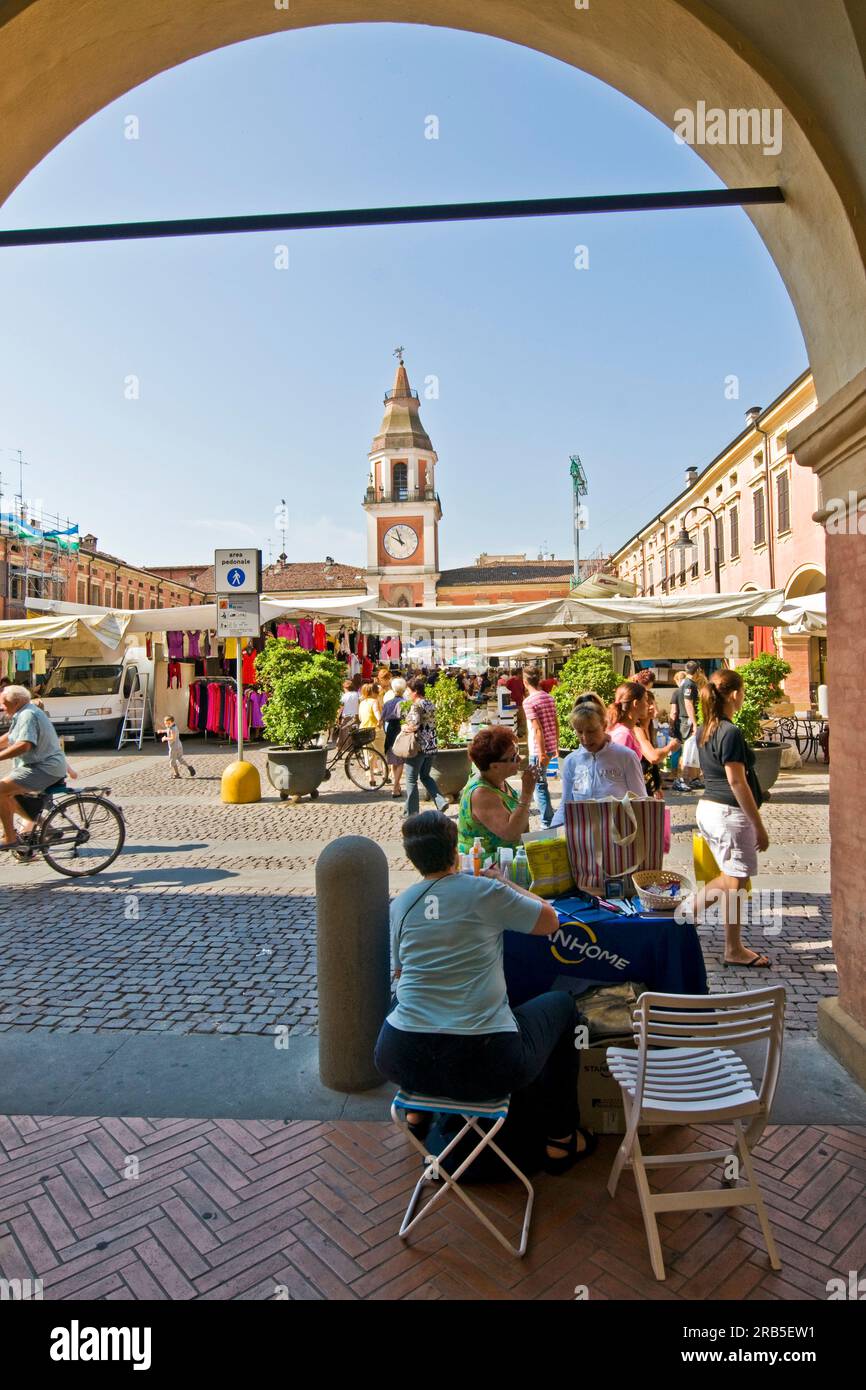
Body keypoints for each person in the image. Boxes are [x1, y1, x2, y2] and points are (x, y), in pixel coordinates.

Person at [374, 811, 596, 1172]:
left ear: (413, 859)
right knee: (563, 1006)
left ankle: (416, 1112)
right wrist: (505, 884)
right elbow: (550, 920)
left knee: (404, 995)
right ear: (454, 851)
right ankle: (560, 1137)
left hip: (401, 1056)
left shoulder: (402, 904)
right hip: (485, 1062)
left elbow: (400, 972)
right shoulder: (484, 890)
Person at [693, 669, 771, 968]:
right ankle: (733, 948)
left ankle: (684, 917)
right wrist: (758, 825)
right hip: (729, 813)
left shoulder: (703, 729)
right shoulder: (730, 732)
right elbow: (736, 782)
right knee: (736, 880)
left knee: (730, 876)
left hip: (709, 809)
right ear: (735, 694)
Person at [551, 700, 645, 824]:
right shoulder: (571, 761)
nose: (585, 738)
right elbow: (566, 804)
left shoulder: (626, 757)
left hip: (619, 834)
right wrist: (552, 832)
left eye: (591, 731)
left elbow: (640, 800)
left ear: (604, 726)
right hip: (584, 835)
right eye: (579, 731)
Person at [0, 684, 68, 847]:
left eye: (4, 703)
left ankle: (10, 838)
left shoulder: (28, 715)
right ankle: (46, 828)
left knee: (1, 790)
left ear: (15, 702)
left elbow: (24, 745)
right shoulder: (24, 713)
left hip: (44, 768)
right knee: (11, 796)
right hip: (42, 767)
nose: (2, 707)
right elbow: (10, 738)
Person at [458, 725, 536, 857]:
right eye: (512, 757)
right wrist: (527, 794)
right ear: (494, 766)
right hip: (485, 870)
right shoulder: (481, 793)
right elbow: (511, 833)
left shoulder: (498, 781)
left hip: (506, 865)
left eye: (516, 753)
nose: (519, 759)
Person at [402, 677, 449, 816]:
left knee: (411, 779)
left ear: (415, 691)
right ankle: (440, 802)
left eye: (409, 691)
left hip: (419, 746)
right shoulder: (430, 703)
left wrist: (405, 727)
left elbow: (414, 725)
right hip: (431, 744)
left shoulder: (416, 705)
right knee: (425, 776)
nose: (408, 694)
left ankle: (412, 812)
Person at [522, 667, 558, 828]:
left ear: (525, 682)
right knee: (541, 783)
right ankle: (548, 818)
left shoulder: (529, 702)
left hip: (538, 750)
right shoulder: (549, 698)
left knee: (539, 785)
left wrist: (541, 752)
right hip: (549, 746)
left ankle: (546, 822)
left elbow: (537, 729)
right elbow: (555, 723)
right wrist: (555, 745)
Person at [633, 692, 680, 798]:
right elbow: (653, 757)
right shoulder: (637, 729)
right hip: (637, 788)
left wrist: (657, 785)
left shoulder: (649, 727)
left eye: (653, 703)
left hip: (647, 786)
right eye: (648, 703)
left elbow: (652, 765)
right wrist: (670, 747)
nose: (652, 707)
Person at [672, 661, 705, 792]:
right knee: (685, 752)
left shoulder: (687, 684)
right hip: (687, 722)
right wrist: (694, 723)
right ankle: (679, 780)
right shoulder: (689, 685)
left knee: (692, 751)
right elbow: (688, 704)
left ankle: (693, 779)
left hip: (687, 722)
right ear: (697, 671)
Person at [606, 681, 647, 759]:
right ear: (636, 704)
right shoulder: (623, 735)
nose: (648, 704)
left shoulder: (625, 730)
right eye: (645, 700)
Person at [383, 675, 408, 800]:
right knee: (400, 761)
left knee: (394, 760)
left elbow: (382, 718)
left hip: (390, 731)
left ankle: (396, 786)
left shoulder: (387, 703)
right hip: (401, 730)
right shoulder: (405, 703)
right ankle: (395, 787)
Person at [358, 682, 386, 788]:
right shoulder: (374, 701)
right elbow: (377, 713)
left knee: (369, 755)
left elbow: (360, 718)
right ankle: (385, 775)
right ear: (374, 692)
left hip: (363, 730)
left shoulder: (362, 703)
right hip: (374, 730)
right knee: (382, 753)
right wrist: (380, 720)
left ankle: (371, 778)